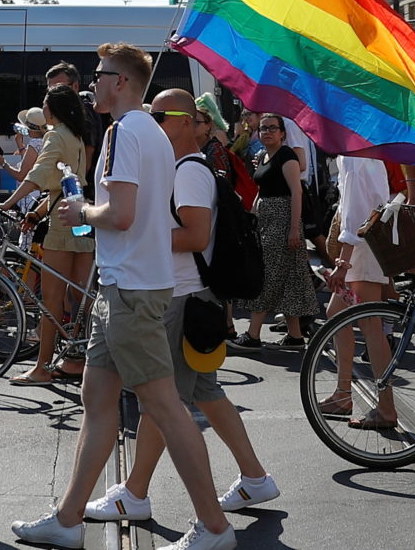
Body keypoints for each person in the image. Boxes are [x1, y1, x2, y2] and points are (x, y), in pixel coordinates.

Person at [15, 47, 235, 550]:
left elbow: (121, 214)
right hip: (130, 284)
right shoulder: (149, 132)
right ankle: (68, 519)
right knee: (97, 400)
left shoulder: (123, 131)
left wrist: (80, 211)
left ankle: (216, 528)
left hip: (131, 288)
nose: (90, 84)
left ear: (121, 81)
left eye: (98, 76)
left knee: (164, 407)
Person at [88, 89, 279, 524]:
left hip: (185, 295)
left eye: (156, 114)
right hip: (181, 293)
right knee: (201, 393)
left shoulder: (189, 172)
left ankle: (137, 492)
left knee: (165, 399)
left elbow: (194, 236)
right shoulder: (173, 169)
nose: (149, 121)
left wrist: (136, 237)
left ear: (182, 120)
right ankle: (254, 477)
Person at [11, 86, 96, 382]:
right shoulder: (76, 137)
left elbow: (37, 175)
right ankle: (77, 358)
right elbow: (67, 185)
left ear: (51, 110)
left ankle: (42, 367)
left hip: (62, 224)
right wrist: (37, 212)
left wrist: (7, 203)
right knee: (81, 297)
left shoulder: (55, 135)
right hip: (82, 219)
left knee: (51, 300)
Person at [317, 143, 395, 424]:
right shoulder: (361, 151)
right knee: (336, 315)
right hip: (366, 245)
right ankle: (342, 393)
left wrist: (343, 262)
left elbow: (355, 212)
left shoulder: (354, 153)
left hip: (362, 248)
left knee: (370, 325)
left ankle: (385, 407)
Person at [237, 113, 316, 348]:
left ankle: (252, 334)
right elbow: (262, 190)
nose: (267, 132)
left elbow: (296, 192)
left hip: (283, 221)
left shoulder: (287, 156)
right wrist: (253, 216)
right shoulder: (263, 156)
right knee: (288, 277)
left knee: (268, 275)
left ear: (282, 133)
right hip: (267, 220)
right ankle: (295, 336)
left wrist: (293, 228)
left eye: (272, 128)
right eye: (263, 129)